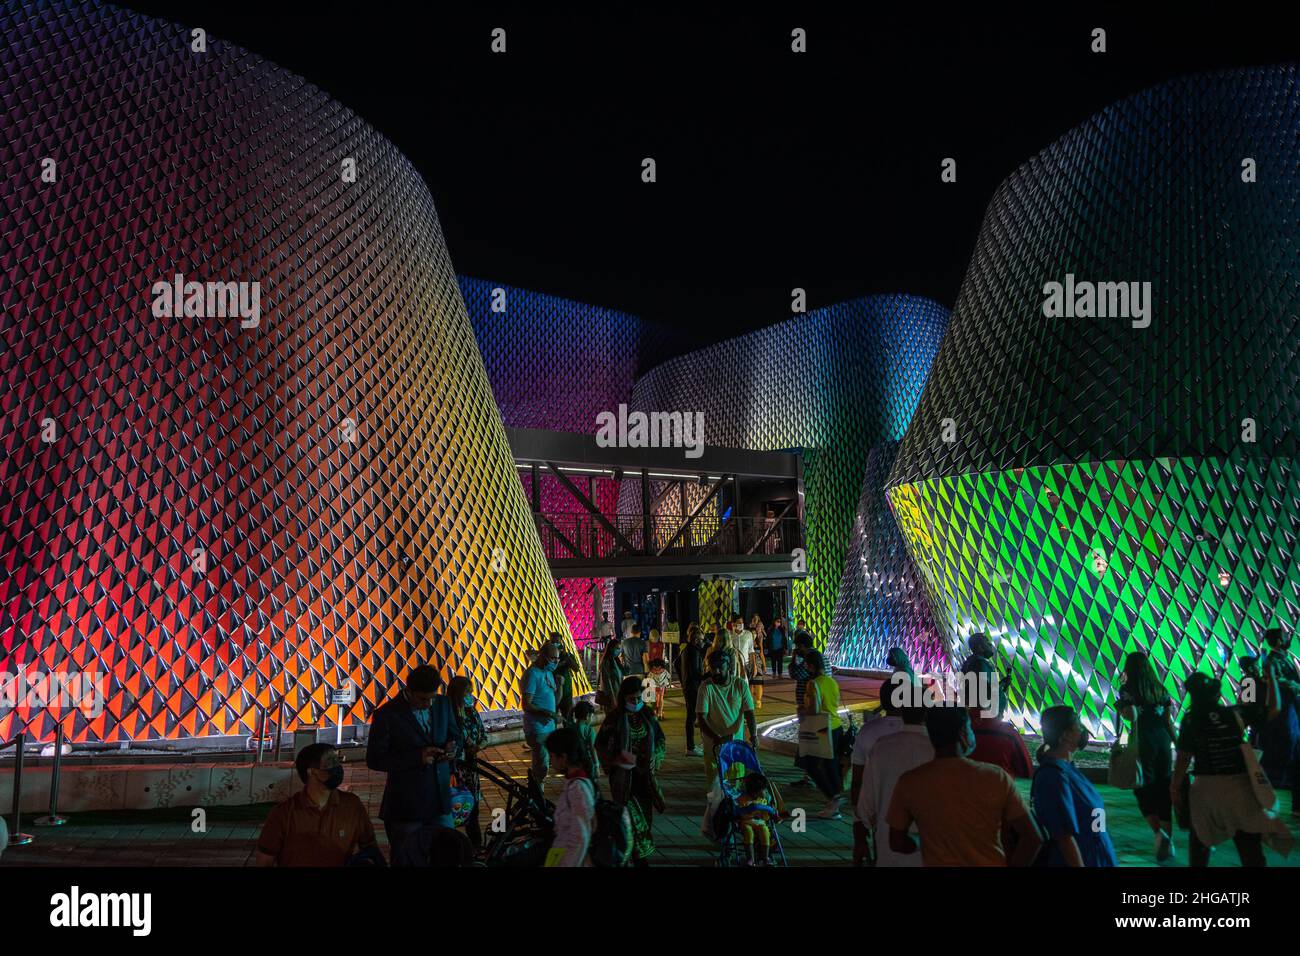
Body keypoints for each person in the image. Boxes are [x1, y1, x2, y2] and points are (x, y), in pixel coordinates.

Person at [886, 706, 1044, 866]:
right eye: (970, 728)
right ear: (962, 734)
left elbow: (897, 842)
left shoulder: (910, 782)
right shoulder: (995, 777)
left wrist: (923, 839)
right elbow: (1033, 837)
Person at [1172, 672, 1292, 866]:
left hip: (1206, 791)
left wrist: (1175, 787)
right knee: (1250, 852)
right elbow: (1274, 709)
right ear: (1216, 694)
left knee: (1200, 849)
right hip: (1240, 789)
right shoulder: (1234, 714)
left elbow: (1184, 757)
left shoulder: (1190, 720)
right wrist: (1271, 679)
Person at [366, 664, 460, 862]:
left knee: (446, 854)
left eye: (432, 698)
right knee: (406, 857)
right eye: (423, 699)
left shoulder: (443, 704)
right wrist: (417, 757)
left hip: (441, 799)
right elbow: (375, 759)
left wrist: (452, 748)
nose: (428, 704)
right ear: (408, 691)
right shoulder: (387, 714)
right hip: (407, 805)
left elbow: (454, 734)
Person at [257, 743, 377, 866]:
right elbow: (265, 859)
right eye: (331, 762)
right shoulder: (283, 814)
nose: (338, 767)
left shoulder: (352, 805)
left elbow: (370, 848)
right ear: (312, 772)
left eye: (338, 761)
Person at [1032, 706, 1117, 867]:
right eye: (1078, 725)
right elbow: (1064, 836)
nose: (1083, 730)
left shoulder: (1068, 769)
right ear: (1065, 735)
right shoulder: (1053, 776)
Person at [596, 675, 666, 865]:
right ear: (623, 698)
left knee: (644, 820)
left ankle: (632, 856)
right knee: (631, 822)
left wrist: (655, 758)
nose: (636, 702)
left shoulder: (648, 715)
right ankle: (639, 859)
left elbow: (660, 740)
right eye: (631, 699)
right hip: (624, 780)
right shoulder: (614, 719)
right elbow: (600, 744)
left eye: (638, 698)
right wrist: (616, 759)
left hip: (645, 779)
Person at [1116, 650, 1178, 861]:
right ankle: (1167, 837)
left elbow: (1129, 716)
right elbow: (1168, 723)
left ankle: (1159, 834)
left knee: (1142, 788)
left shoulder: (1127, 689)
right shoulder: (1161, 690)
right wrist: (1179, 744)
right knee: (1163, 787)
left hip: (1143, 743)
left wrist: (1121, 706)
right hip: (1163, 743)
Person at [858, 704, 933, 867]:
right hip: (930, 851)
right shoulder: (937, 749)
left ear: (902, 712)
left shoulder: (881, 747)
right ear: (928, 713)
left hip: (889, 849)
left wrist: (862, 836)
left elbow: (865, 806)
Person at [850, 670, 908, 864]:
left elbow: (857, 782)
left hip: (880, 814)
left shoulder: (868, 732)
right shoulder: (924, 735)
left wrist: (859, 830)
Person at [697, 649, 758, 793]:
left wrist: (754, 735)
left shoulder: (740, 685)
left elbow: (749, 713)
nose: (716, 671)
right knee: (715, 789)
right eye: (713, 668)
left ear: (728, 667)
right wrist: (717, 739)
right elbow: (701, 718)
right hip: (713, 746)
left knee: (736, 789)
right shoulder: (706, 687)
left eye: (720, 667)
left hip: (736, 746)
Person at [544, 727, 597, 867]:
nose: (550, 760)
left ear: (563, 758)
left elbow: (580, 836)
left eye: (552, 755)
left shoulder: (577, 788)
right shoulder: (572, 782)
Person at [802, 650, 846, 818]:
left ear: (811, 666)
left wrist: (803, 709)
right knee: (830, 764)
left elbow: (813, 710)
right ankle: (835, 801)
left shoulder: (813, 684)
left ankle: (833, 798)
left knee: (811, 764)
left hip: (822, 728)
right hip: (836, 726)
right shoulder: (832, 681)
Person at [447, 675, 488, 848]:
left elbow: (484, 735)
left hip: (470, 767)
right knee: (453, 808)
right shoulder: (448, 714)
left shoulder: (472, 712)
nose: (470, 696)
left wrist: (478, 746)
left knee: (473, 808)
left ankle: (476, 847)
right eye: (467, 693)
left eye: (471, 692)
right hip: (454, 769)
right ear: (457, 694)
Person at [522, 642, 562, 789]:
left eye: (558, 658)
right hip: (537, 728)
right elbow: (526, 704)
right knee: (541, 765)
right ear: (542, 656)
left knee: (543, 764)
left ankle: (537, 792)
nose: (556, 662)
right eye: (553, 658)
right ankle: (536, 796)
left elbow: (554, 700)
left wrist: (561, 686)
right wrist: (548, 713)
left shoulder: (548, 672)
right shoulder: (532, 674)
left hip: (548, 726)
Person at [787, 630, 816, 788]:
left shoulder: (809, 659)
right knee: (810, 741)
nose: (796, 649)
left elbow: (794, 673)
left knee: (808, 741)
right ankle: (808, 776)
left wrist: (794, 658)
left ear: (802, 646)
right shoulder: (817, 656)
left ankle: (809, 778)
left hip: (808, 706)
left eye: (798, 646)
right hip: (812, 705)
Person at [970, 711, 1034, 778]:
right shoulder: (1009, 734)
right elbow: (1027, 771)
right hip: (1000, 785)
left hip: (967, 784)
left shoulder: (966, 731)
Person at [736, 772, 777, 866]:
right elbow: (740, 813)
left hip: (760, 823)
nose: (766, 792)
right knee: (748, 833)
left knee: (765, 832)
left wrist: (766, 812)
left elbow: (768, 814)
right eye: (764, 790)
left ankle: (766, 857)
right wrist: (753, 810)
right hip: (746, 823)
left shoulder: (763, 800)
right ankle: (750, 859)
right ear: (756, 792)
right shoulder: (743, 799)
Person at [680, 623, 708, 756]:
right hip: (693, 688)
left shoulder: (686, 650)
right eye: (701, 639)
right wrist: (709, 674)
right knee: (693, 716)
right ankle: (691, 746)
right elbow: (696, 673)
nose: (703, 642)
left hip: (688, 687)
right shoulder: (694, 652)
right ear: (696, 640)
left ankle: (691, 745)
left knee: (691, 716)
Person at [571, 700, 600, 784]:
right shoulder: (589, 730)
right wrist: (597, 765)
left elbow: (570, 716)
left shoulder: (571, 726)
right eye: (592, 716)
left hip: (575, 761)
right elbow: (592, 749)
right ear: (588, 716)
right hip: (588, 762)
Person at [598, 637, 626, 712]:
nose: (619, 651)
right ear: (611, 648)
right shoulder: (606, 662)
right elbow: (606, 681)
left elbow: (625, 673)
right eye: (617, 648)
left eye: (620, 648)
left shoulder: (616, 661)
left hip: (618, 694)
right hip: (611, 696)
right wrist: (612, 698)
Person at [748, 614, 767, 709]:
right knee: (751, 683)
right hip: (750, 662)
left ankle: (758, 701)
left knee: (758, 682)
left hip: (758, 663)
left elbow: (762, 653)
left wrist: (764, 665)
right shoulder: (747, 638)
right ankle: (751, 700)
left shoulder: (759, 640)